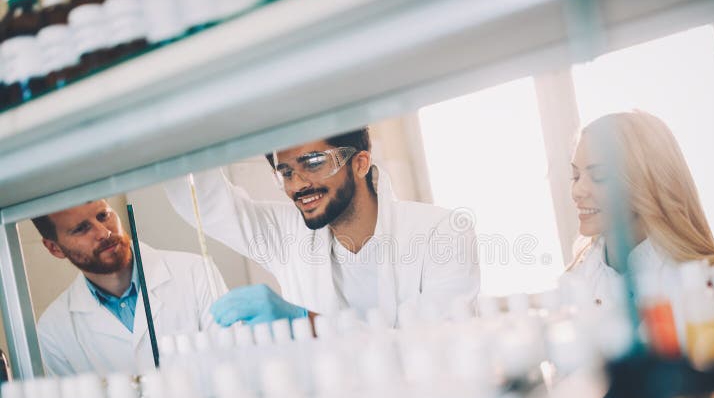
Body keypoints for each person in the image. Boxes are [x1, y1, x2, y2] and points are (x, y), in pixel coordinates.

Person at [166, 127, 480, 327]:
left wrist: (308, 324)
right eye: (286, 172)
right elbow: (205, 204)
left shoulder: (442, 232)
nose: (298, 184)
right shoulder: (286, 234)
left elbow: (438, 346)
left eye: (314, 162)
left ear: (359, 163)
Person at [565, 111, 714, 333]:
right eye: (576, 176)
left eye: (598, 175)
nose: (577, 191)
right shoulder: (573, 288)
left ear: (646, 181)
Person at [32, 200, 227, 376]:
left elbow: (233, 365)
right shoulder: (53, 330)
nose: (104, 233)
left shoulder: (195, 272)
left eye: (103, 216)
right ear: (54, 248)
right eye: (81, 228)